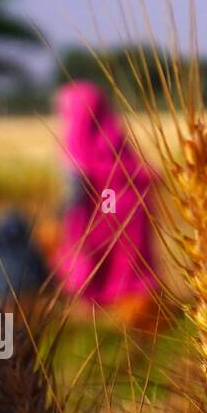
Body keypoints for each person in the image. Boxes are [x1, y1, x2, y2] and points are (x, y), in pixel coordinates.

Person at [55, 81, 160, 329]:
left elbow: (75, 186)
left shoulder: (77, 140)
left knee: (98, 255)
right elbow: (137, 170)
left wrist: (66, 218)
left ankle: (103, 303)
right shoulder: (113, 134)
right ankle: (130, 300)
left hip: (100, 211)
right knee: (128, 259)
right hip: (130, 210)